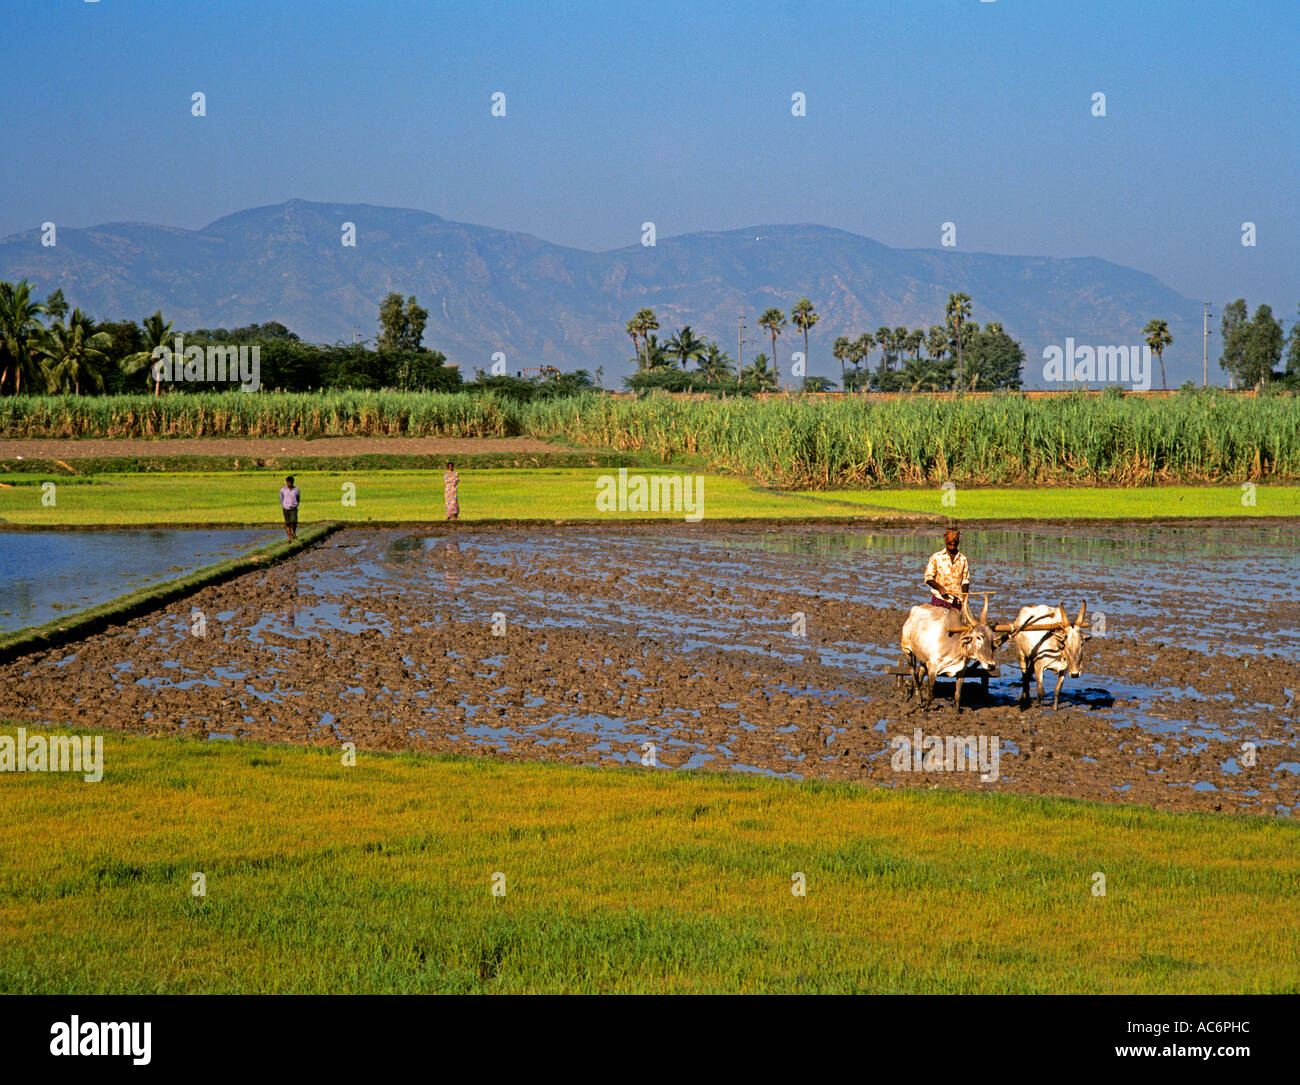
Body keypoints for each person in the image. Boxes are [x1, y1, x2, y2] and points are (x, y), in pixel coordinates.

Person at [924, 527, 969, 610]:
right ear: (946, 542)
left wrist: (964, 597)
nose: (952, 547)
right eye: (950, 544)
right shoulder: (936, 557)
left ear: (958, 543)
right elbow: (928, 578)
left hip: (957, 600)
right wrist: (940, 588)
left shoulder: (963, 559)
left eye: (954, 545)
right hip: (940, 599)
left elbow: (965, 581)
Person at [279, 475, 300, 541]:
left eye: (290, 483)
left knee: (294, 521)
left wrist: (296, 505)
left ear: (293, 483)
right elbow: (281, 498)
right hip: (286, 508)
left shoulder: (296, 490)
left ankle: (293, 533)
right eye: (288, 483)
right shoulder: (283, 490)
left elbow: (298, 498)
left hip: (293, 508)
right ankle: (289, 539)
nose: (289, 484)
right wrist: (283, 505)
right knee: (287, 523)